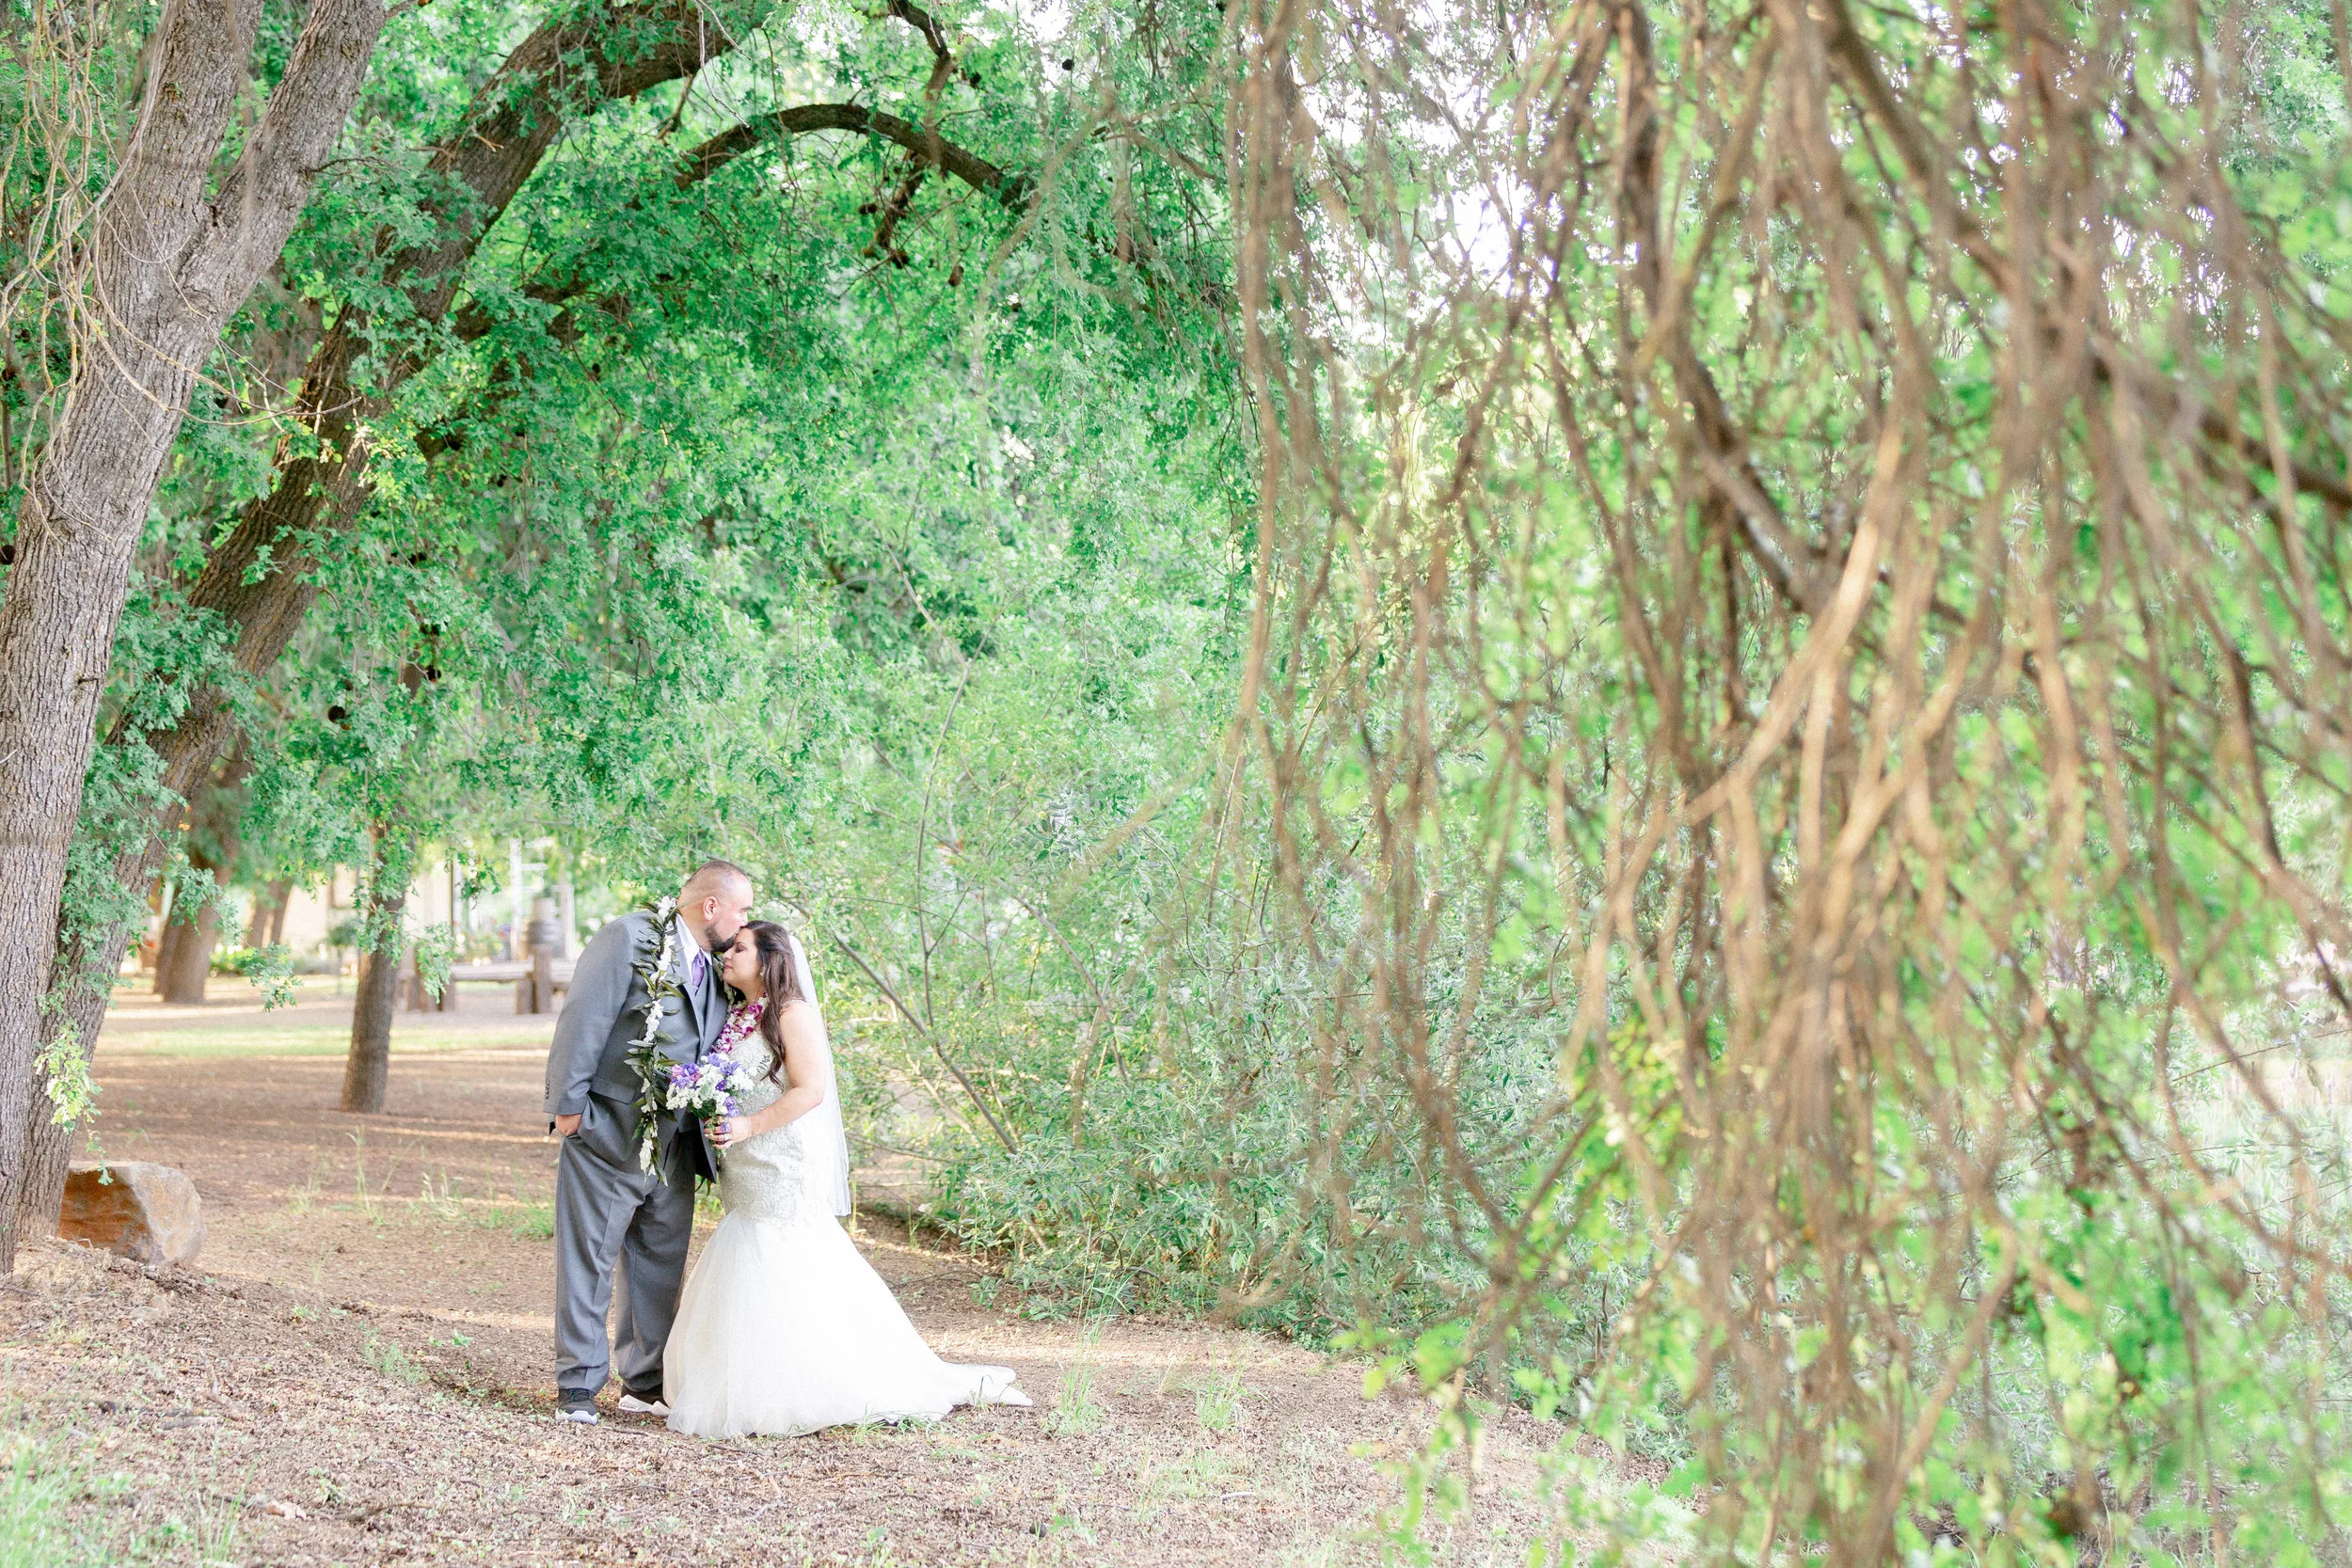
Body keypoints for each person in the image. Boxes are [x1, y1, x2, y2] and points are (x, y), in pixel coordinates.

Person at [661, 919, 1031, 1436]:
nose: (727, 954)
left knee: (784, 1257)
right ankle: (761, 1377)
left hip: (779, 1160)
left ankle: (809, 1382)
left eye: (739, 948)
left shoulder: (792, 1013)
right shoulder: (740, 1013)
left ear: (769, 960)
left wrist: (747, 1125)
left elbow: (810, 1090)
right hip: (743, 1163)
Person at [544, 860, 756, 1424]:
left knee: (659, 1266)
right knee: (588, 1260)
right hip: (610, 1129)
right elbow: (583, 1017)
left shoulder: (717, 965)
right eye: (741, 909)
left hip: (677, 1143)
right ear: (710, 906)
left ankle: (643, 1382)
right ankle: (577, 1387)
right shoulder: (630, 937)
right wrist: (569, 1110)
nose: (744, 922)